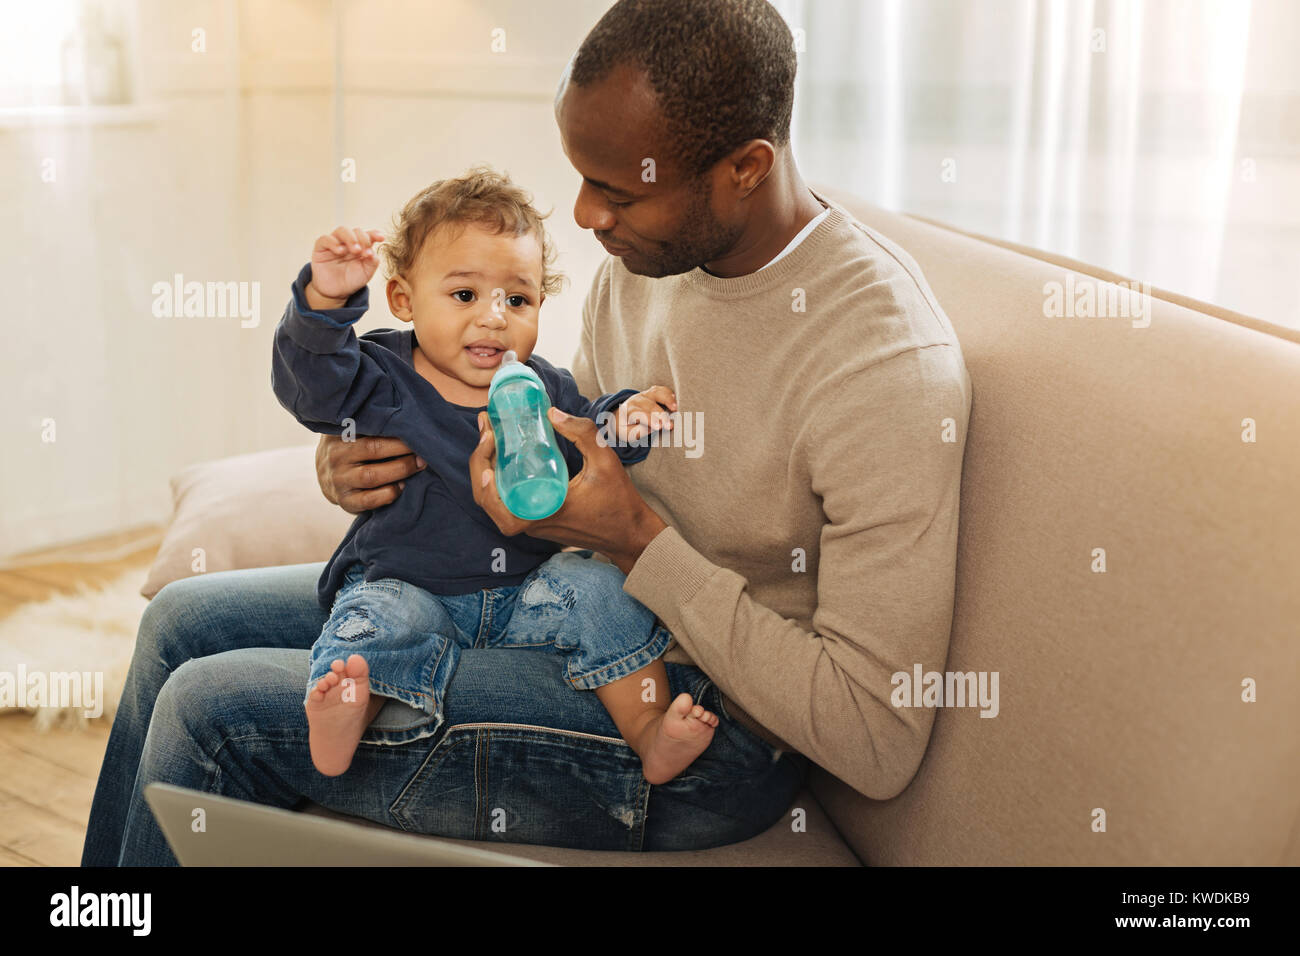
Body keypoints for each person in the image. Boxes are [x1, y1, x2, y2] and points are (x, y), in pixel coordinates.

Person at [82, 0, 970, 866]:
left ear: (745, 166)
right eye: (582, 175)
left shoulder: (880, 360)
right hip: (551, 595)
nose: (584, 217)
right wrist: (350, 453)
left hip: (708, 721)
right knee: (178, 621)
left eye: (617, 190)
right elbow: (550, 420)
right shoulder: (657, 252)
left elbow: (875, 735)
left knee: (211, 707)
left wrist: (634, 537)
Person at [273, 167, 718, 780]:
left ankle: (648, 729)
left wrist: (626, 418)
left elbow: (588, 434)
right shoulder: (380, 374)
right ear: (403, 299)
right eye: (464, 296)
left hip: (530, 597)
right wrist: (325, 302)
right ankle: (350, 706)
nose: (493, 318)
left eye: (518, 299)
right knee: (378, 619)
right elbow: (312, 387)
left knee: (598, 588)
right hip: (413, 586)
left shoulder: (544, 386)